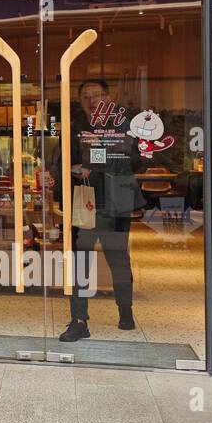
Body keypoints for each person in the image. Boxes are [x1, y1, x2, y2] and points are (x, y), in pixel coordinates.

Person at [59, 79, 144, 342]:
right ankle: (79, 320)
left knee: (118, 258)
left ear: (109, 96)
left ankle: (126, 311)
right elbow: (59, 162)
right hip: (83, 203)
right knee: (79, 262)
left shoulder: (124, 125)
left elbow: (137, 161)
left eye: (96, 95)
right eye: (86, 97)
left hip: (115, 203)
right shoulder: (75, 127)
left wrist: (95, 166)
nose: (92, 101)